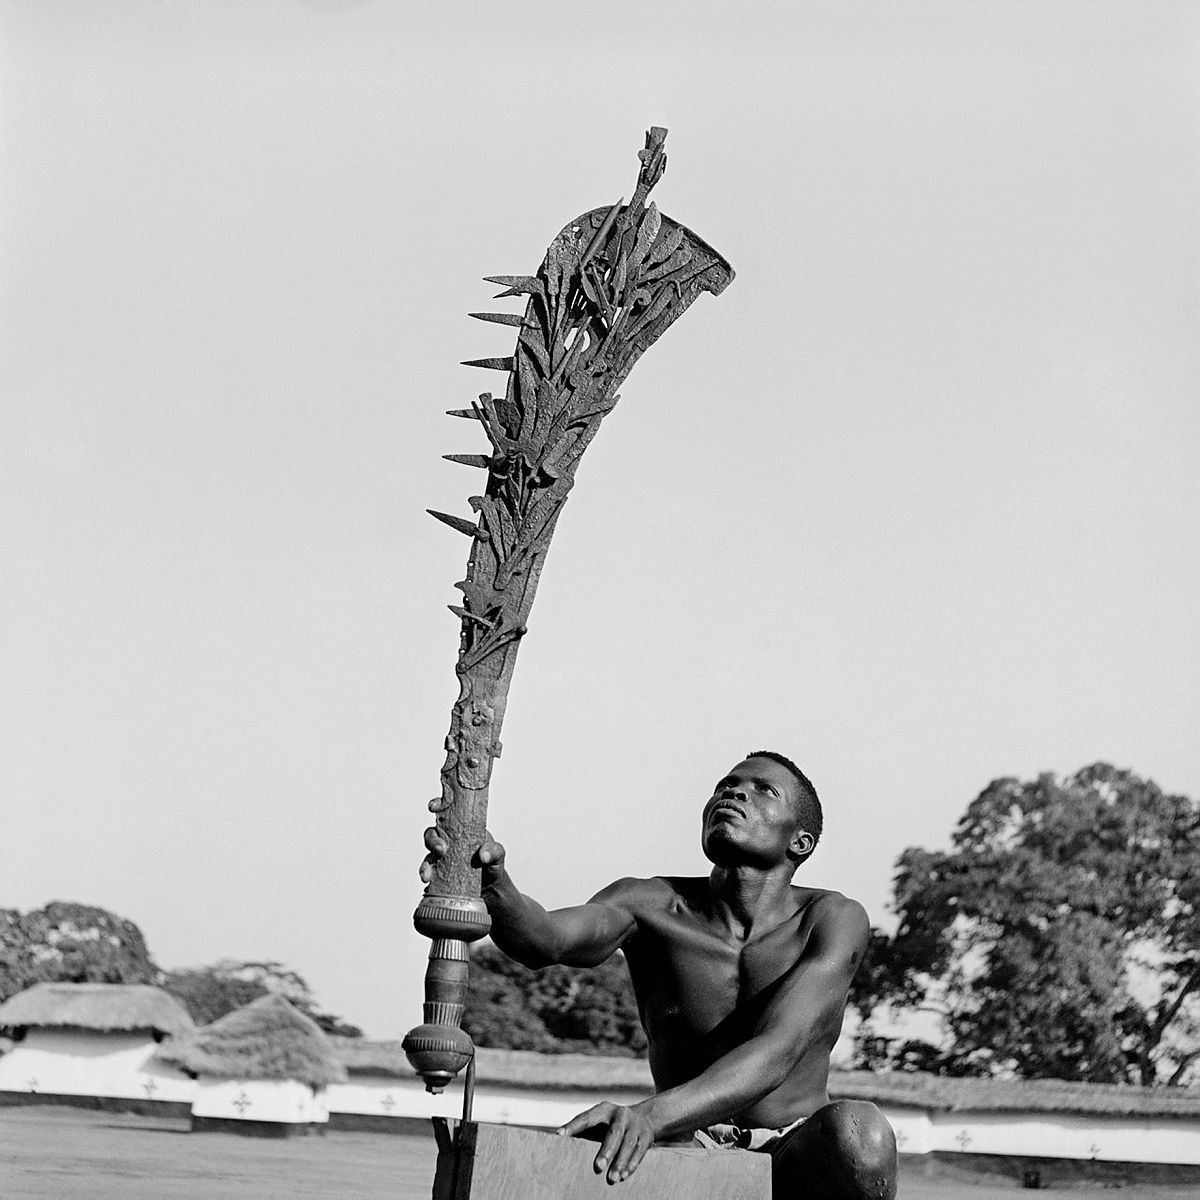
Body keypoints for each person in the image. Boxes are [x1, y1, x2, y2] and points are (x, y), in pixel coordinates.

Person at [422, 751, 898, 1199]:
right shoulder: (648, 904)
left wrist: (649, 1116)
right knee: (603, 1160)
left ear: (801, 841)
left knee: (862, 1135)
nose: (733, 794)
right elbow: (543, 938)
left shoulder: (832, 918)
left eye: (762, 790)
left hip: (795, 1150)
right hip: (684, 1140)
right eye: (725, 786)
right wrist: (491, 880)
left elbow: (780, 1050)